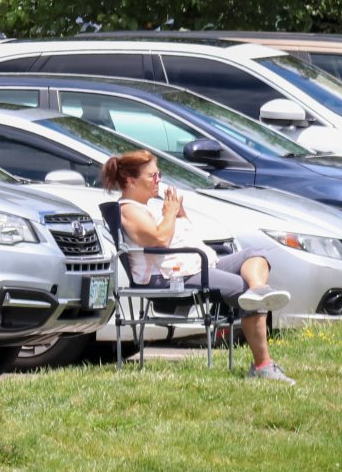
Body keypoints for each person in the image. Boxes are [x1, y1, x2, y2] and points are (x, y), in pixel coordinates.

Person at [101, 150, 296, 382]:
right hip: (169, 278)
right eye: (152, 176)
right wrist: (172, 213)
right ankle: (263, 366)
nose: (159, 180)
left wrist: (179, 213)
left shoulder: (151, 206)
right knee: (239, 288)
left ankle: (257, 291)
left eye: (159, 174)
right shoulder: (129, 210)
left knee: (255, 255)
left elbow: (181, 237)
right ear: (132, 181)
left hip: (195, 265)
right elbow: (160, 240)